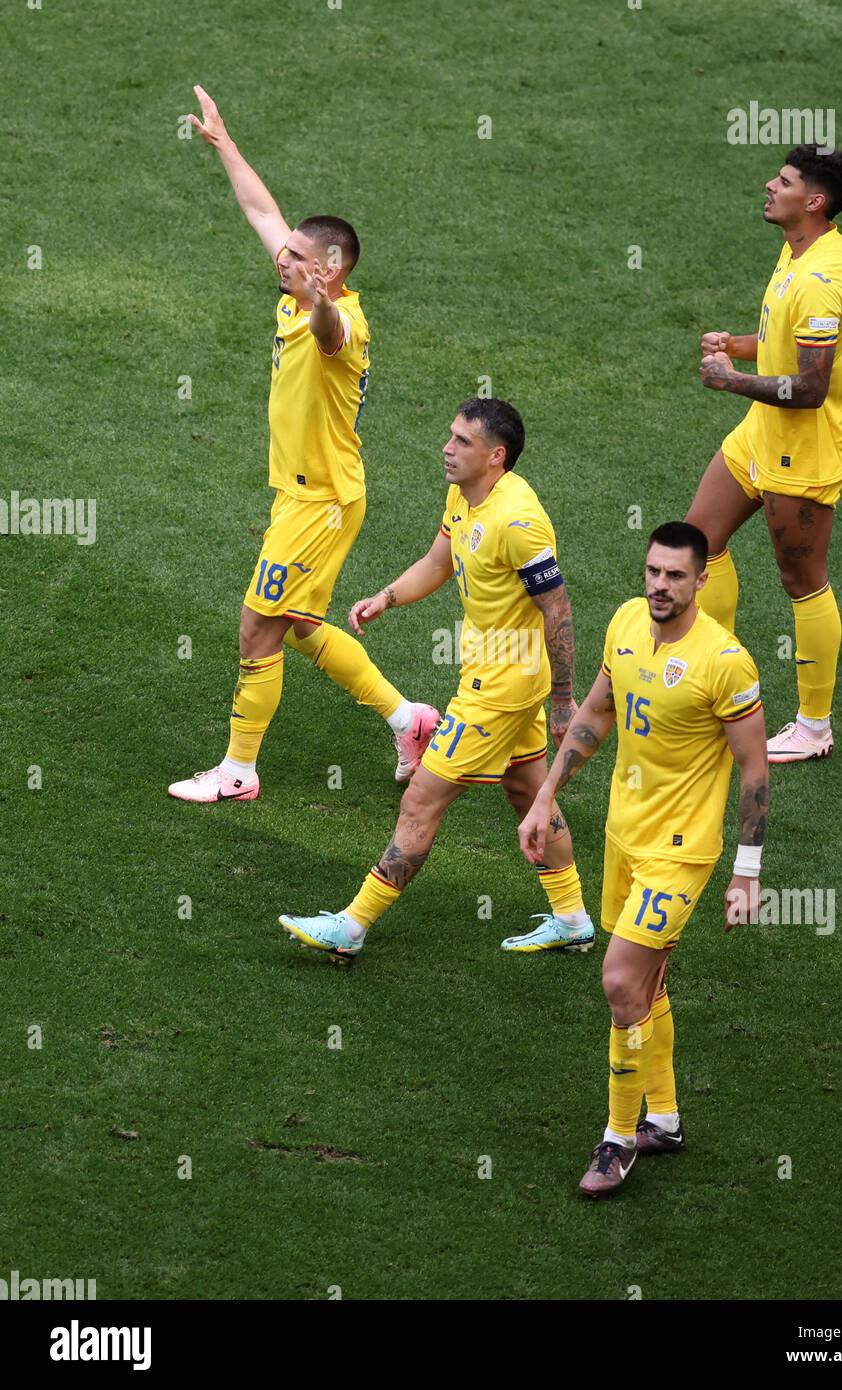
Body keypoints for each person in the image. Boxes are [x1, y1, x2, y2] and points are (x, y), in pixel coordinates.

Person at [168, 86, 438, 805]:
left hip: (319, 500)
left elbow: (332, 337)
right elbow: (261, 210)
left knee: (258, 626)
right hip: (306, 492)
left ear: (332, 269)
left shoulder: (341, 324)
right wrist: (224, 144)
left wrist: (320, 305)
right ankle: (408, 720)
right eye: (286, 253)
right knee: (296, 625)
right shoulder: (297, 287)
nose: (280, 258)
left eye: (295, 256)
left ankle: (238, 770)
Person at [278, 398, 594, 961]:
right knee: (526, 791)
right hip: (500, 677)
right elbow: (439, 561)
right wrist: (387, 597)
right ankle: (572, 918)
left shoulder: (519, 523)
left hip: (501, 687)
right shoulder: (464, 494)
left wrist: (566, 698)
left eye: (462, 442)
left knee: (421, 799)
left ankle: (352, 927)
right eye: (450, 436)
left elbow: (559, 609)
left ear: (496, 456)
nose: (447, 449)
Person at [517, 522, 768, 1197]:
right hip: (624, 839)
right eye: (653, 572)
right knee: (647, 988)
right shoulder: (627, 622)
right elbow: (595, 714)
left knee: (620, 982)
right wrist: (543, 798)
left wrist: (746, 872)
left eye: (674, 576)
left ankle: (616, 1140)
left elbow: (753, 770)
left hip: (680, 855)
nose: (660, 586)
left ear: (700, 581)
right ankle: (665, 1118)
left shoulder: (725, 662)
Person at [685, 144, 842, 763]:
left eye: (783, 182)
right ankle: (718, 678)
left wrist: (730, 381)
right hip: (760, 434)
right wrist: (738, 345)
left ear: (813, 201)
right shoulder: (801, 250)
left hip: (803, 453)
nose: (769, 185)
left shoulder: (821, 280)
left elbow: (812, 388)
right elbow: (786, 345)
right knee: (698, 538)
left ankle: (814, 726)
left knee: (801, 580)